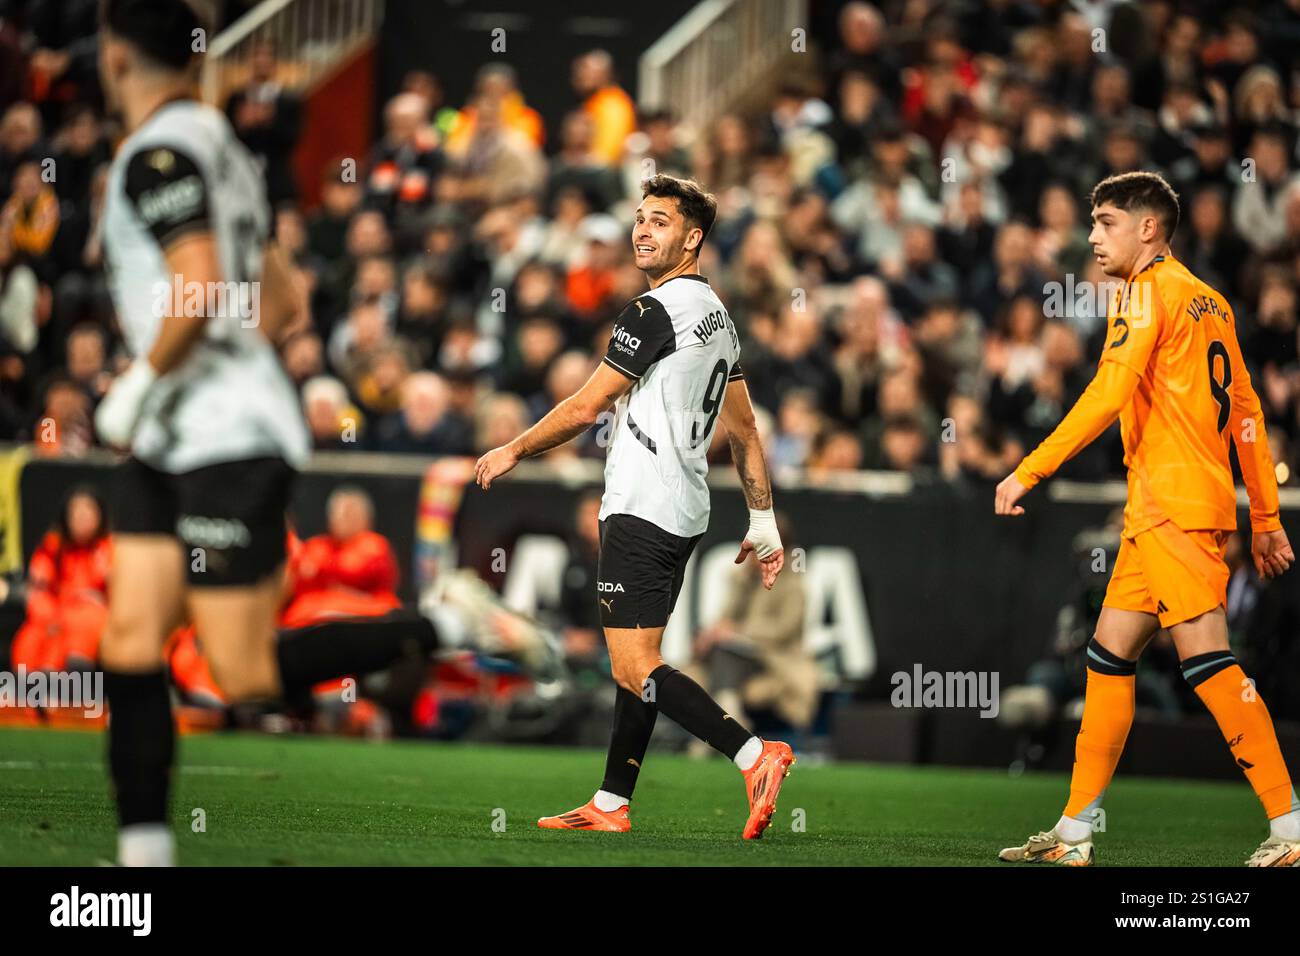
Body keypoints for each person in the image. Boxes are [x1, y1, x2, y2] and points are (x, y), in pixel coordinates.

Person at [90, 0, 444, 867]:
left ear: (113, 58)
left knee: (239, 673)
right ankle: (143, 860)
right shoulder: (228, 150)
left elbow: (200, 282)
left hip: (222, 437)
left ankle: (421, 630)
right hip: (181, 431)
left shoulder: (159, 153)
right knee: (128, 641)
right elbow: (282, 301)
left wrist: (141, 379)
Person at [475, 174, 794, 839]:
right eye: (639, 219)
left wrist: (514, 448)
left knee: (634, 665)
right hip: (683, 508)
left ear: (692, 237)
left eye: (658, 220)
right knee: (636, 664)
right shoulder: (718, 317)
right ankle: (612, 803)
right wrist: (762, 521)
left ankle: (753, 753)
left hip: (643, 503)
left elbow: (586, 405)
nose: (642, 231)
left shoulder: (653, 312)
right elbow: (745, 428)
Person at [994, 171, 1299, 867]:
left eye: (1105, 222)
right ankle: (1074, 836)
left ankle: (1291, 829)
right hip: (1164, 507)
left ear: (1148, 228)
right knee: (1108, 657)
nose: (1093, 236)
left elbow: (1108, 392)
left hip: (1173, 504)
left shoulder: (1145, 292)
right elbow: (1248, 416)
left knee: (1210, 664)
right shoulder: (1210, 301)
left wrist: (1029, 469)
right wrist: (1268, 518)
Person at [10, 487, 111, 673]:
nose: (82, 516)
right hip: (55, 616)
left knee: (85, 621)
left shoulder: (110, 549)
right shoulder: (52, 546)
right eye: (76, 510)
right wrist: (51, 617)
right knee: (31, 639)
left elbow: (120, 595)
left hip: (92, 623)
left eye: (88, 510)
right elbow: (39, 590)